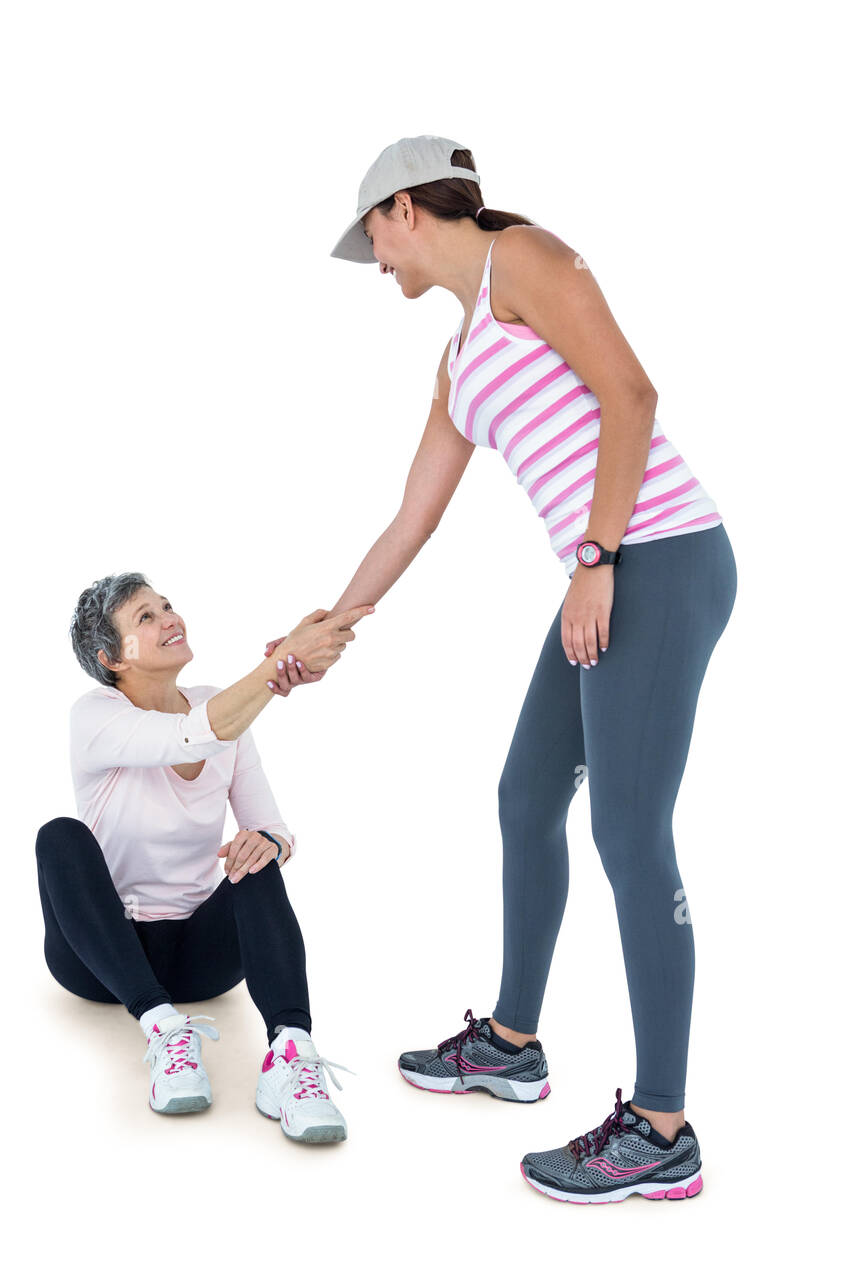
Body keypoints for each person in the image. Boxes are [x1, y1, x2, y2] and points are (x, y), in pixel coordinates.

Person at [266, 135, 737, 1201]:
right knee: (527, 798)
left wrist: (593, 559)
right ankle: (513, 1042)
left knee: (626, 829)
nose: (376, 261)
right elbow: (410, 519)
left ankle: (661, 1127)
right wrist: (323, 632)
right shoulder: (456, 357)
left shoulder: (521, 259)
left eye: (373, 237)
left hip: (654, 557)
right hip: (609, 571)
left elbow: (631, 394)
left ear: (404, 208)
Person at [36, 572, 373, 1144]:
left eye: (167, 605)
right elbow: (190, 736)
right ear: (110, 658)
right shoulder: (95, 716)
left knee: (257, 856)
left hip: (202, 958)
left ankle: (292, 1055)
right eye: (145, 617)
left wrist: (270, 843)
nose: (171, 617)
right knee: (59, 836)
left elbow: (275, 826)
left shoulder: (221, 710)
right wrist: (280, 664)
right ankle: (165, 1030)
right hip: (101, 961)